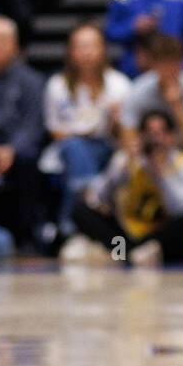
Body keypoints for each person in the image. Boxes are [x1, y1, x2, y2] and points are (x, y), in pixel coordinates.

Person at [66, 109, 183, 268]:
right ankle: (127, 255)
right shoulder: (127, 160)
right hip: (127, 235)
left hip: (159, 237)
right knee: (80, 208)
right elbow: (97, 197)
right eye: (150, 133)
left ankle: (131, 255)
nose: (156, 139)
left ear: (171, 136)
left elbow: (180, 209)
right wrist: (121, 168)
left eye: (161, 133)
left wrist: (160, 176)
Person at [40, 23, 130, 242]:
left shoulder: (119, 84)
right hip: (68, 148)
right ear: (70, 52)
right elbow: (55, 130)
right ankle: (84, 213)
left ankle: (70, 225)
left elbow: (128, 137)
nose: (87, 53)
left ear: (103, 49)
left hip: (108, 146)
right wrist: (82, 133)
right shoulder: (57, 85)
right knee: (76, 148)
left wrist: (117, 122)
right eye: (80, 46)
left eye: (92, 46)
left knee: (102, 155)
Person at [0, 14, 44, 252]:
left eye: (2, 40)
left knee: (29, 161)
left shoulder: (31, 80)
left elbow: (33, 124)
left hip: (17, 151)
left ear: (15, 45)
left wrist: (12, 149)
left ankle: (29, 237)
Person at [120, 34, 183, 150]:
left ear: (182, 63)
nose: (168, 70)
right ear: (153, 64)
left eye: (173, 63)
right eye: (163, 63)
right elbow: (129, 136)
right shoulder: (139, 90)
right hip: (149, 152)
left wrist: (178, 107)